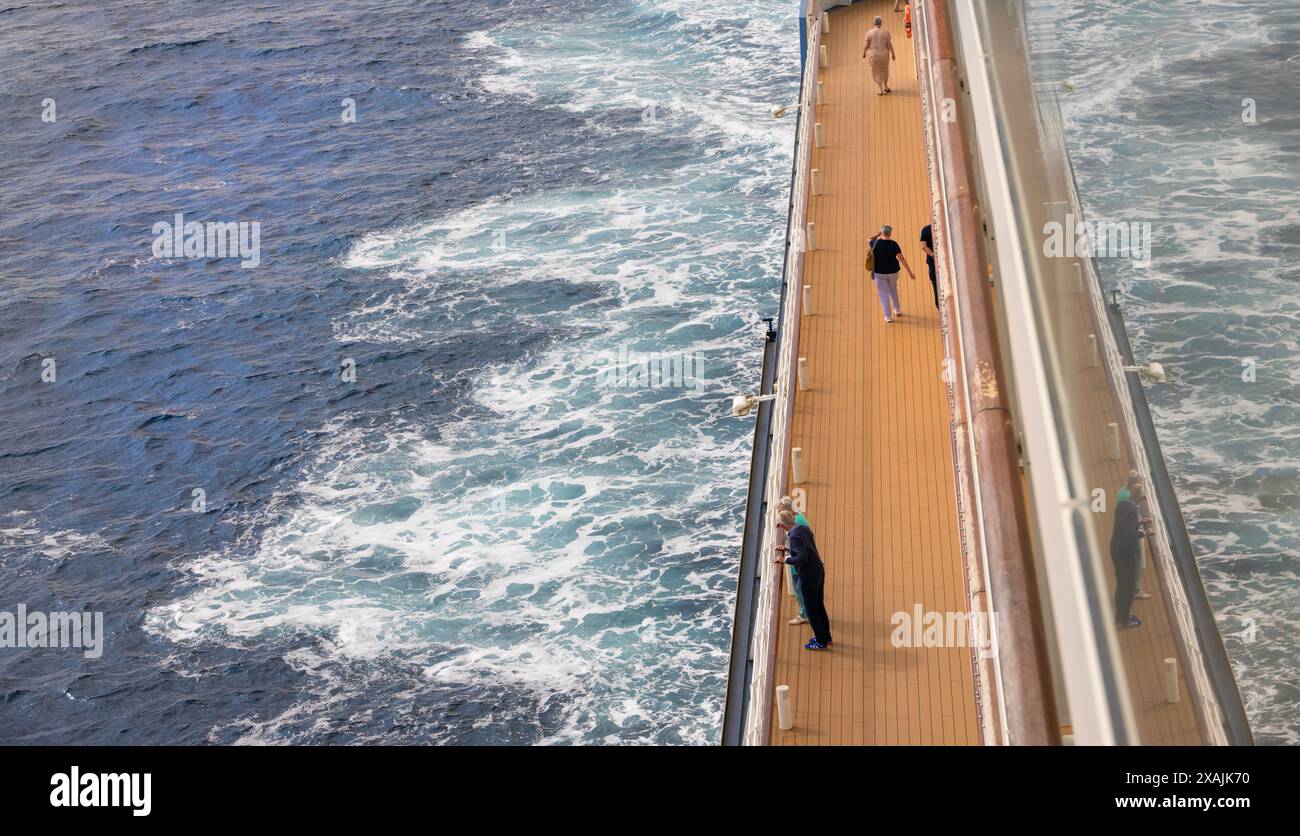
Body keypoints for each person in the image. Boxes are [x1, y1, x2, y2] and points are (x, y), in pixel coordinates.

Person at [774, 509, 832, 650]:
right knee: (819, 605)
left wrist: (784, 559)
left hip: (808, 576)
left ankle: (820, 641)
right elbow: (806, 547)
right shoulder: (803, 529)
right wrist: (789, 549)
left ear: (782, 526)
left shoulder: (794, 537)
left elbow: (802, 558)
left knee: (811, 610)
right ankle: (826, 636)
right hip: (818, 569)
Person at [1111, 478, 1152, 630]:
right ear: (1140, 498)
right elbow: (1129, 534)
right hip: (1126, 554)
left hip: (1116, 548)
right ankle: (1123, 620)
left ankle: (1121, 616)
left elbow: (1123, 526)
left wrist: (1139, 524)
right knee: (1127, 589)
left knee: (1121, 586)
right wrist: (1143, 532)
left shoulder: (1123, 505)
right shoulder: (1133, 511)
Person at [868, 225, 915, 323]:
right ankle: (897, 309)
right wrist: (910, 272)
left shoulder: (874, 243)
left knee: (883, 294)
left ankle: (888, 316)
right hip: (893, 272)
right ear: (890, 234)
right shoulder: (894, 244)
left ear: (882, 233)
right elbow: (901, 258)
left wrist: (877, 234)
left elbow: (868, 239)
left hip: (879, 273)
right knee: (893, 289)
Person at [1116, 471, 1152, 600]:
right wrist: (1144, 532)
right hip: (1128, 541)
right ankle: (1136, 591)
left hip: (1120, 533)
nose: (1141, 483)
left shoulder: (1122, 491)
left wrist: (1141, 521)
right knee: (1135, 565)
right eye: (1140, 481)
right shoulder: (1129, 503)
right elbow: (1130, 531)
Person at [776, 497, 811, 625]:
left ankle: (804, 615)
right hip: (805, 562)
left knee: (799, 589)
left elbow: (800, 552)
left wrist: (785, 559)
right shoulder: (799, 518)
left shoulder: (796, 527)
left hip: (800, 566)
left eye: (781, 514)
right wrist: (787, 548)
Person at [862, 16, 896, 95]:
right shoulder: (885, 32)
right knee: (885, 70)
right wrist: (893, 54)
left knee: (876, 71)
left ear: (873, 23)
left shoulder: (869, 33)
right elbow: (889, 45)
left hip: (874, 56)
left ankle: (880, 90)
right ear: (881, 23)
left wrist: (864, 52)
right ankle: (886, 87)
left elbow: (867, 45)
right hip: (884, 55)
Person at [919, 223, 938, 308]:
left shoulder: (926, 229)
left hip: (932, 261)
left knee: (935, 283)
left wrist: (933, 256)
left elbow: (923, 246)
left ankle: (938, 304)